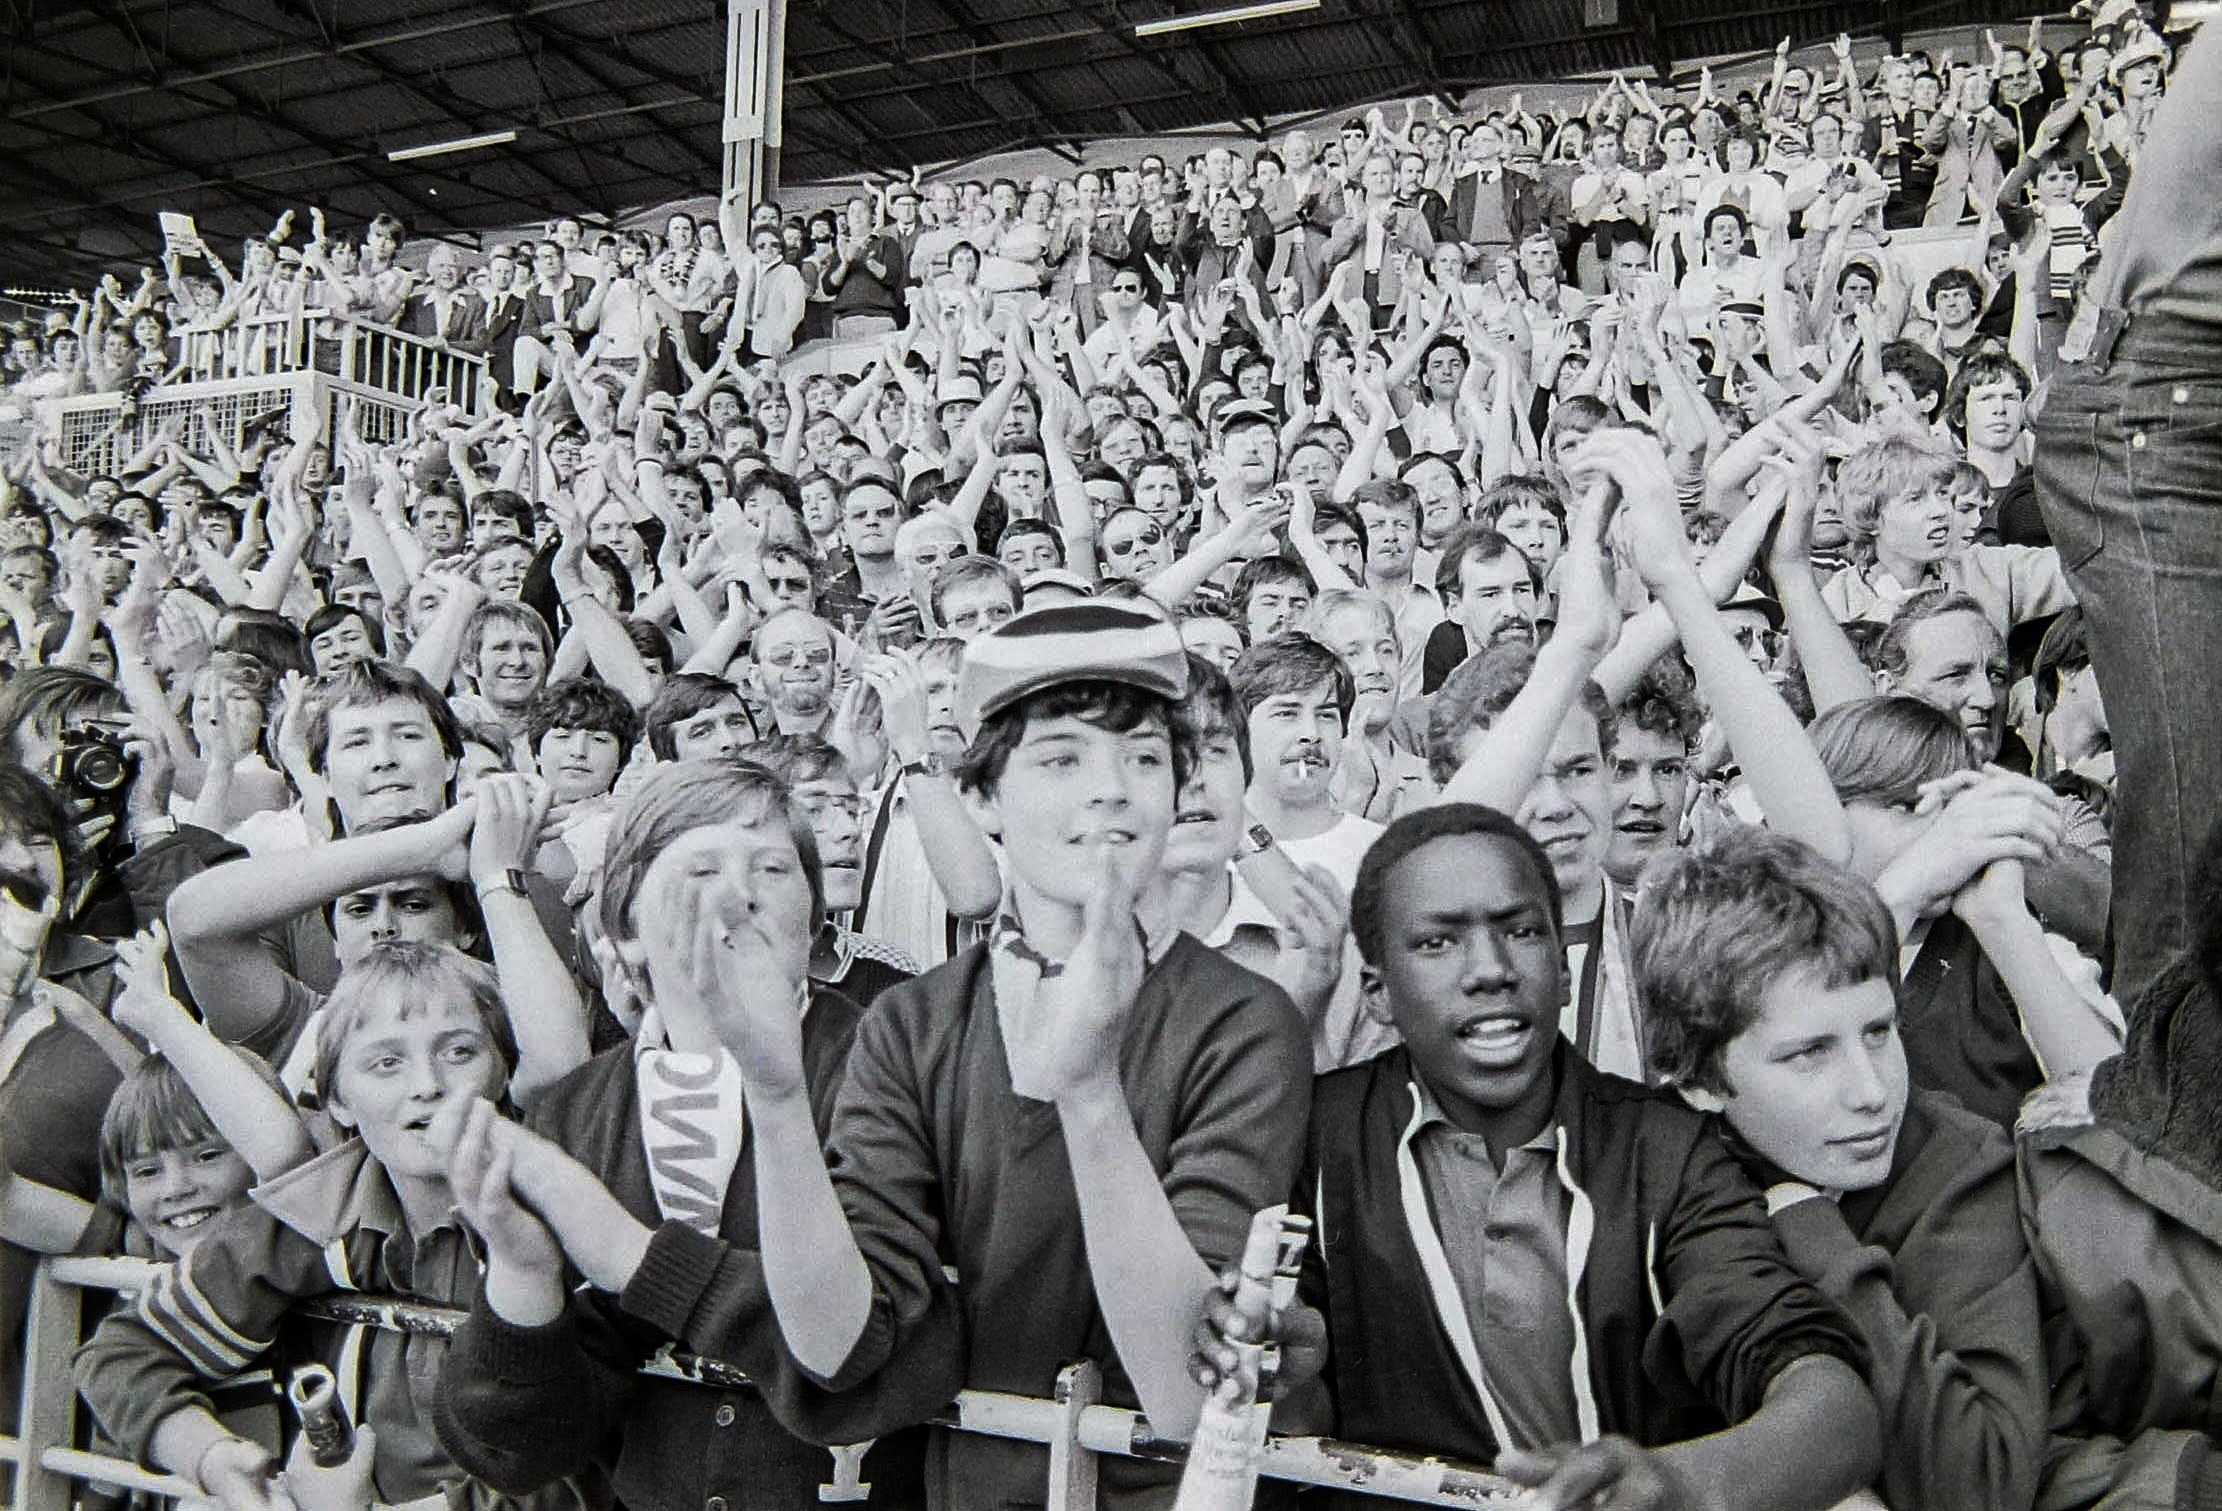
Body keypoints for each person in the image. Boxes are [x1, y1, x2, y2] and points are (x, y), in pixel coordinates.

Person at [736, 601, 1311, 1502]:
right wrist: (775, 1102)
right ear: (981, 795)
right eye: (1062, 757)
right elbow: (843, 1346)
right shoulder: (911, 1024)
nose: (1113, 788)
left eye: (1145, 757)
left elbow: (1186, 1393)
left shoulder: (1242, 1020)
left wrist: (1087, 1093)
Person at [1278, 801, 1882, 1510]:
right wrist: (1289, 1378)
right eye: (1439, 943)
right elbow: (1294, 1423)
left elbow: (1835, 1404)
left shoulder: (1663, 1147)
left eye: (1523, 930)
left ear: (1563, 971)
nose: (1492, 969)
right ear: (1378, 993)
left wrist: (1678, 1480)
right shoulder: (1321, 1138)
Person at [430, 759, 931, 1510]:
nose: (739, 894)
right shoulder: (576, 1113)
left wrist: (631, 1255)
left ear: (816, 918)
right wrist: (524, 1277)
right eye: (700, 868)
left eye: (772, 865)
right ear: (624, 929)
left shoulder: (894, 1070)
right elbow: (514, 1449)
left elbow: (884, 1351)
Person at [73, 942, 587, 1511]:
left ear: (503, 1072)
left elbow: (585, 1466)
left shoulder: (557, 1220)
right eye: (386, 1062)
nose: (428, 1084)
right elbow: (120, 1354)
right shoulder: (321, 1214)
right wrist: (214, 1458)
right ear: (337, 1100)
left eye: (460, 1051)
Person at [1635, 829, 2047, 1511]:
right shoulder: (1662, 1166)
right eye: (1810, 1053)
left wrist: (1809, 1226)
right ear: (1698, 1078)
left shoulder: (1956, 1163)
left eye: (1879, 1032)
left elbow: (1982, 1482)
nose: (1872, 1090)